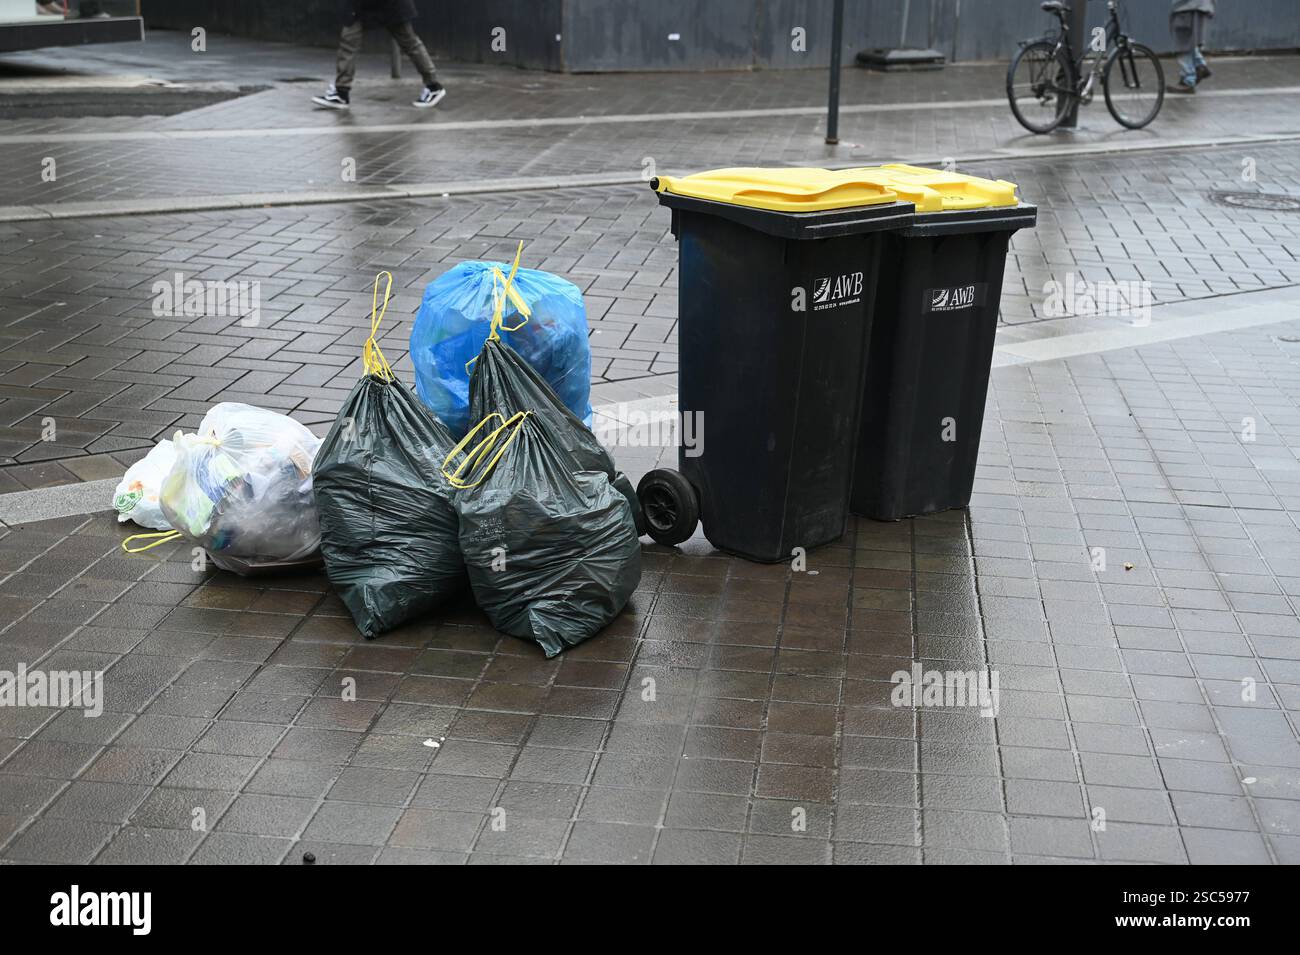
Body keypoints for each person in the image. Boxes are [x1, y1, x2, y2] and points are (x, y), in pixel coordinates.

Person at [313, 0, 445, 110]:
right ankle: (341, 92)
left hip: (388, 4)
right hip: (362, 6)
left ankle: (433, 86)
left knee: (409, 42)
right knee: (348, 40)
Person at [1167, 0, 1214, 94]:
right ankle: (1200, 66)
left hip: (1186, 7)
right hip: (1200, 6)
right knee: (1189, 41)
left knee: (1182, 44)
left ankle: (1188, 80)